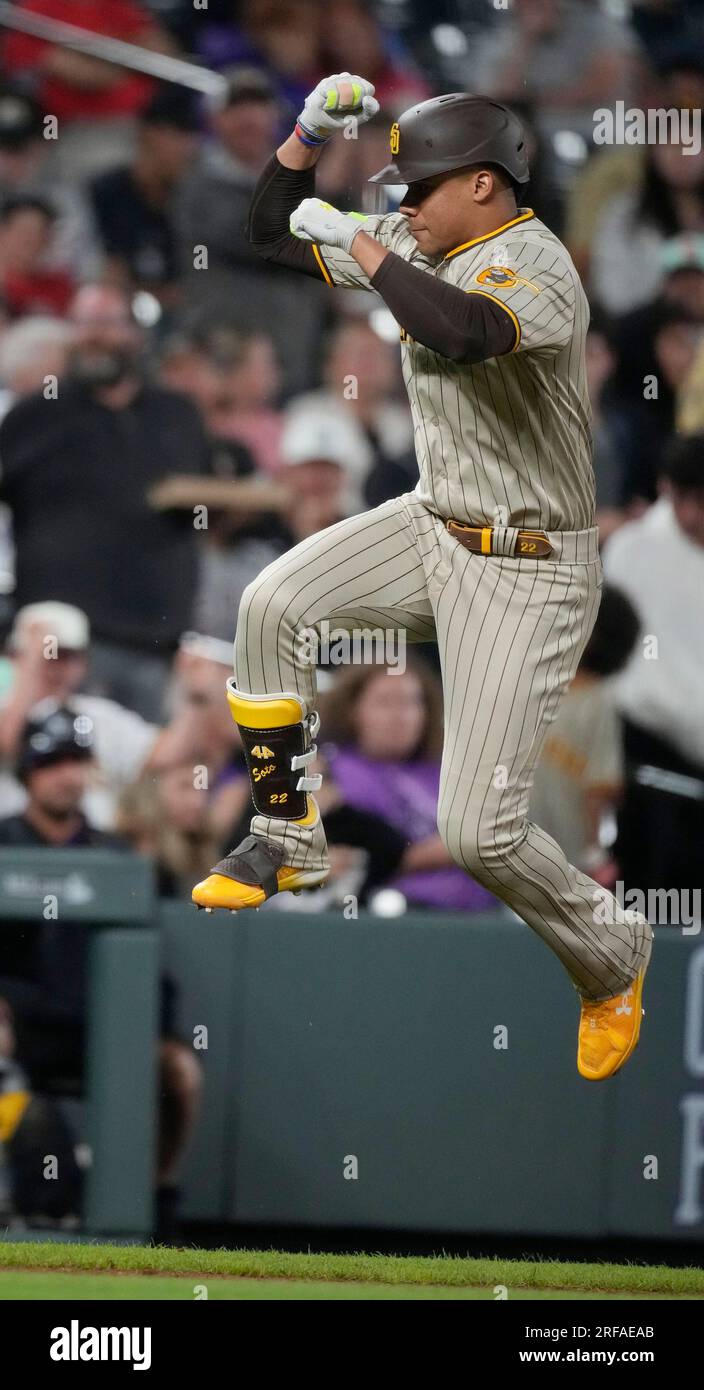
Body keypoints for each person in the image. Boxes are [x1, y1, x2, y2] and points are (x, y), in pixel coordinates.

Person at [192, 76, 653, 1084]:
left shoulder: (535, 265)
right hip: (431, 521)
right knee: (271, 603)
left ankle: (610, 955)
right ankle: (286, 833)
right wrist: (307, 137)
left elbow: (465, 332)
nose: (401, 205)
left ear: (484, 185)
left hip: (528, 569)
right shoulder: (420, 244)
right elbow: (269, 232)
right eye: (396, 191)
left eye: (422, 188)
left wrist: (360, 241)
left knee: (477, 833)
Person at [0, 705, 202, 1235]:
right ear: (27, 771)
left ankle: (151, 1203)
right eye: (51, 761)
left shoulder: (116, 855)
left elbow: (152, 966)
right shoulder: (3, 843)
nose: (66, 775)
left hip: (100, 1029)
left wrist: (158, 1030)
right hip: (18, 1030)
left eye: (76, 761)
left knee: (177, 1070)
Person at [0, 283, 212, 720]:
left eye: (107, 324)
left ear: (136, 335)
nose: (93, 336)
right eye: (83, 324)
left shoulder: (177, 415)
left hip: (160, 641)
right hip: (64, 647)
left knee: (145, 777)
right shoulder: (35, 415)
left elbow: (210, 503)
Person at [601, 435, 704, 898]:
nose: (694, 517)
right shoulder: (629, 550)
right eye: (687, 502)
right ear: (668, 489)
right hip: (644, 751)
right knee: (651, 885)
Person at [320, 660, 498, 912]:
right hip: (385, 913)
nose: (400, 715)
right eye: (385, 702)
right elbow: (356, 858)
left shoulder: (449, 772)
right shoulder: (328, 770)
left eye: (411, 702)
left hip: (480, 915)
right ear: (352, 710)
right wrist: (456, 849)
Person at [530, 586, 640, 886]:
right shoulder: (524, 680)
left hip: (569, 841)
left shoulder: (599, 699)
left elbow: (601, 784)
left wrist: (594, 851)